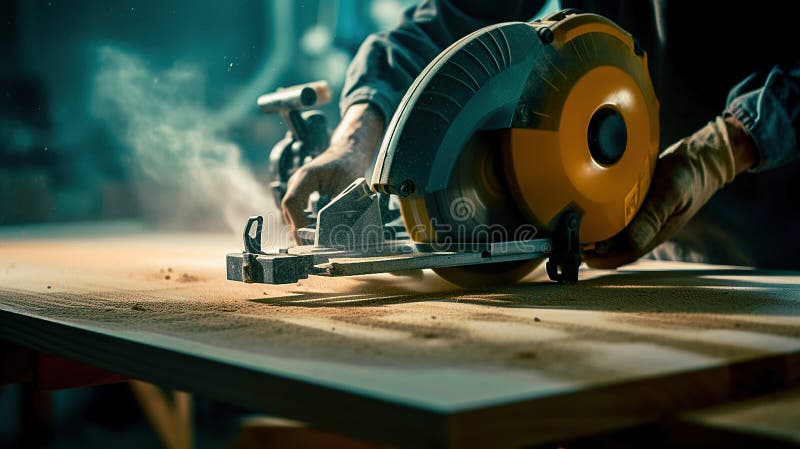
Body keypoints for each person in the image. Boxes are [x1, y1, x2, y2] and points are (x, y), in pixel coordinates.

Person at [281, 0, 800, 269]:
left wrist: (725, 148)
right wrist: (358, 136)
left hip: (783, 250)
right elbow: (447, 18)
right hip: (643, 247)